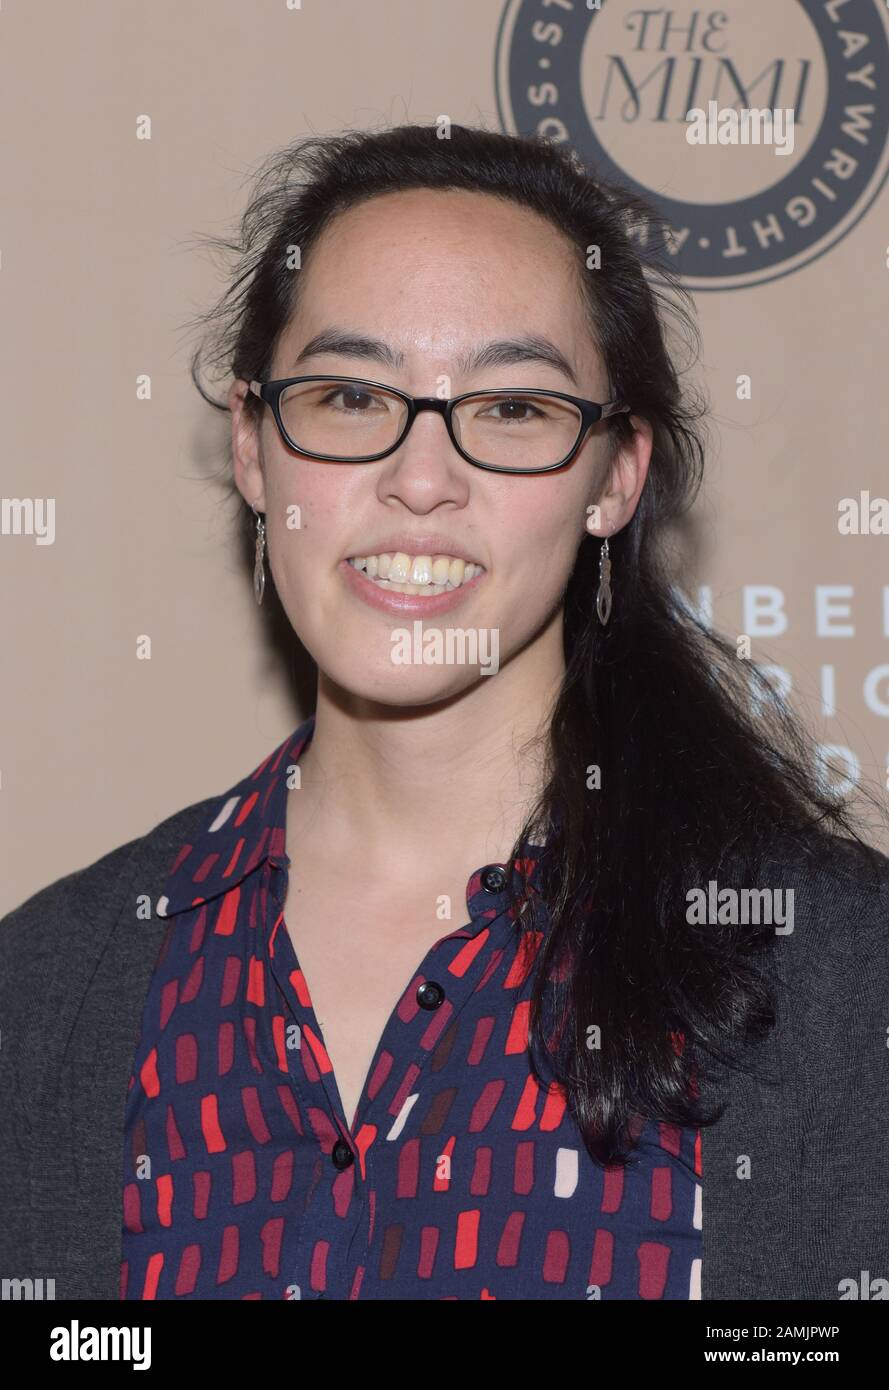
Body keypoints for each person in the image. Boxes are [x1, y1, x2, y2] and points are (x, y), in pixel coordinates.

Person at [1, 123, 887, 1303]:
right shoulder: (49, 989)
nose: (421, 478)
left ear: (614, 477)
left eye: (513, 407)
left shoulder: (838, 976)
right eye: (351, 394)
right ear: (255, 450)